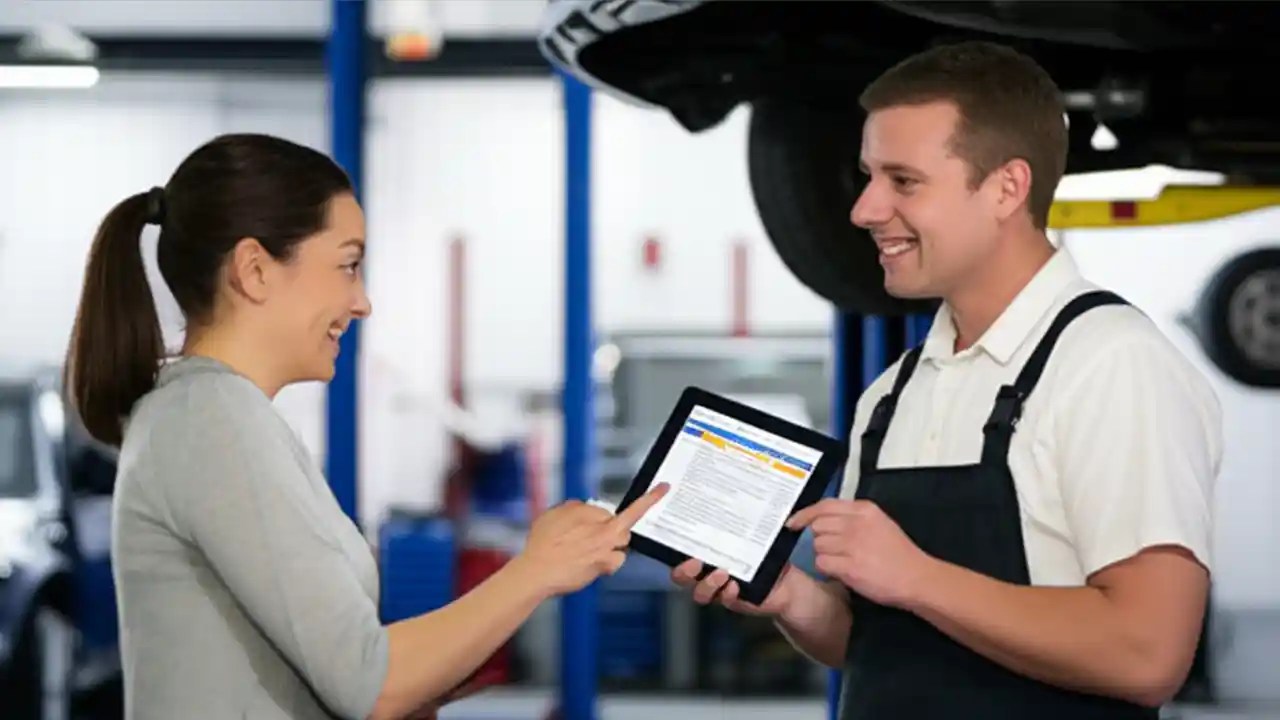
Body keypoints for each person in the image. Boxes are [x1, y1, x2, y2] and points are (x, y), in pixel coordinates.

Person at [672, 41, 1221, 719]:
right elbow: (881, 645)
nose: (863, 209)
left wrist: (916, 576)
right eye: (868, 176)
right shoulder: (893, 393)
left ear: (1006, 189)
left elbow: (1147, 654)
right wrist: (792, 598)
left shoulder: (1111, 365)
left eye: (903, 181)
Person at [64, 132, 668, 720]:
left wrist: (420, 684)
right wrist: (537, 569)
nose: (362, 302)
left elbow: (344, 679)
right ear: (255, 270)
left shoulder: (219, 415)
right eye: (348, 266)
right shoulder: (210, 420)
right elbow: (372, 684)